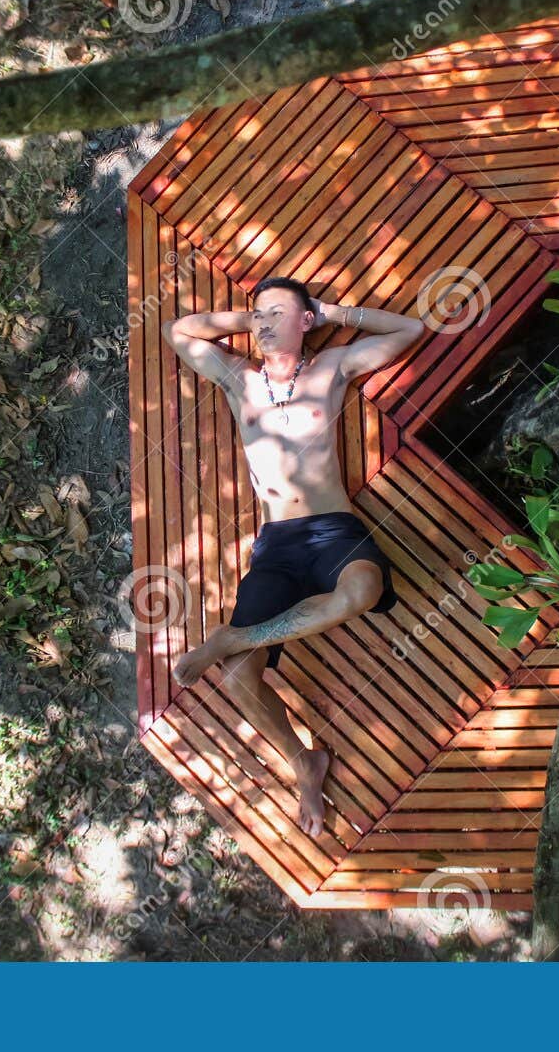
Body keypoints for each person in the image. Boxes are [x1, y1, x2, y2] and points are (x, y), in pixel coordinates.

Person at [159, 276, 429, 835]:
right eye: (257, 315)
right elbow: (175, 330)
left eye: (276, 313)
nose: (262, 323)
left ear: (306, 323)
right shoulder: (240, 380)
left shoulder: (330, 369)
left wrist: (328, 311)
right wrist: (251, 319)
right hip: (277, 544)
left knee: (363, 591)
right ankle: (302, 763)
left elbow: (412, 328)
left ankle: (240, 636)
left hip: (333, 530)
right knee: (237, 680)